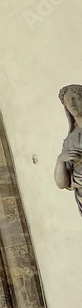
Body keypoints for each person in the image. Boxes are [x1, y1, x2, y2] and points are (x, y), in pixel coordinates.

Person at [54, 84, 82, 217]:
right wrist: (60, 161)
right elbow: (62, 183)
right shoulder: (70, 140)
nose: (72, 104)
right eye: (67, 101)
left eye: (76, 98)